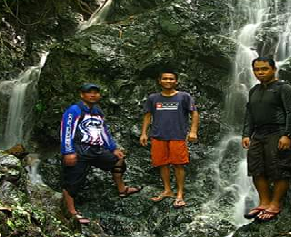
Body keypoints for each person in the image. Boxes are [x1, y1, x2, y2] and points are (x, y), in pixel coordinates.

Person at [60, 83, 141, 225]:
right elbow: (66, 130)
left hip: (96, 149)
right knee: (72, 180)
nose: (93, 95)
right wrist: (68, 152)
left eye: (95, 92)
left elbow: (104, 132)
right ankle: (71, 212)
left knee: (118, 160)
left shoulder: (97, 111)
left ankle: (122, 189)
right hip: (79, 150)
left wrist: (113, 148)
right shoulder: (75, 110)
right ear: (82, 95)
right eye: (89, 92)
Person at [241, 57, 291, 222]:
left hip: (278, 132)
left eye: (264, 69)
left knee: (280, 169)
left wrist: (288, 135)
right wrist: (246, 134)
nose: (260, 72)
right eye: (257, 69)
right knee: (256, 168)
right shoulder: (254, 90)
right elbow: (249, 114)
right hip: (258, 134)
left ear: (274, 69)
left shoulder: (284, 88)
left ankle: (275, 204)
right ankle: (264, 202)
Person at [140, 71, 199, 208]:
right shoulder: (153, 98)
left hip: (177, 136)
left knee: (179, 164)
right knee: (162, 164)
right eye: (165, 79)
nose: (168, 81)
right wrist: (144, 133)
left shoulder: (184, 97)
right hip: (158, 135)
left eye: (171, 79)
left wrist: (193, 131)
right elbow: (147, 116)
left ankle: (180, 194)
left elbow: (194, 113)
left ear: (176, 81)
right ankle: (167, 190)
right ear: (159, 81)